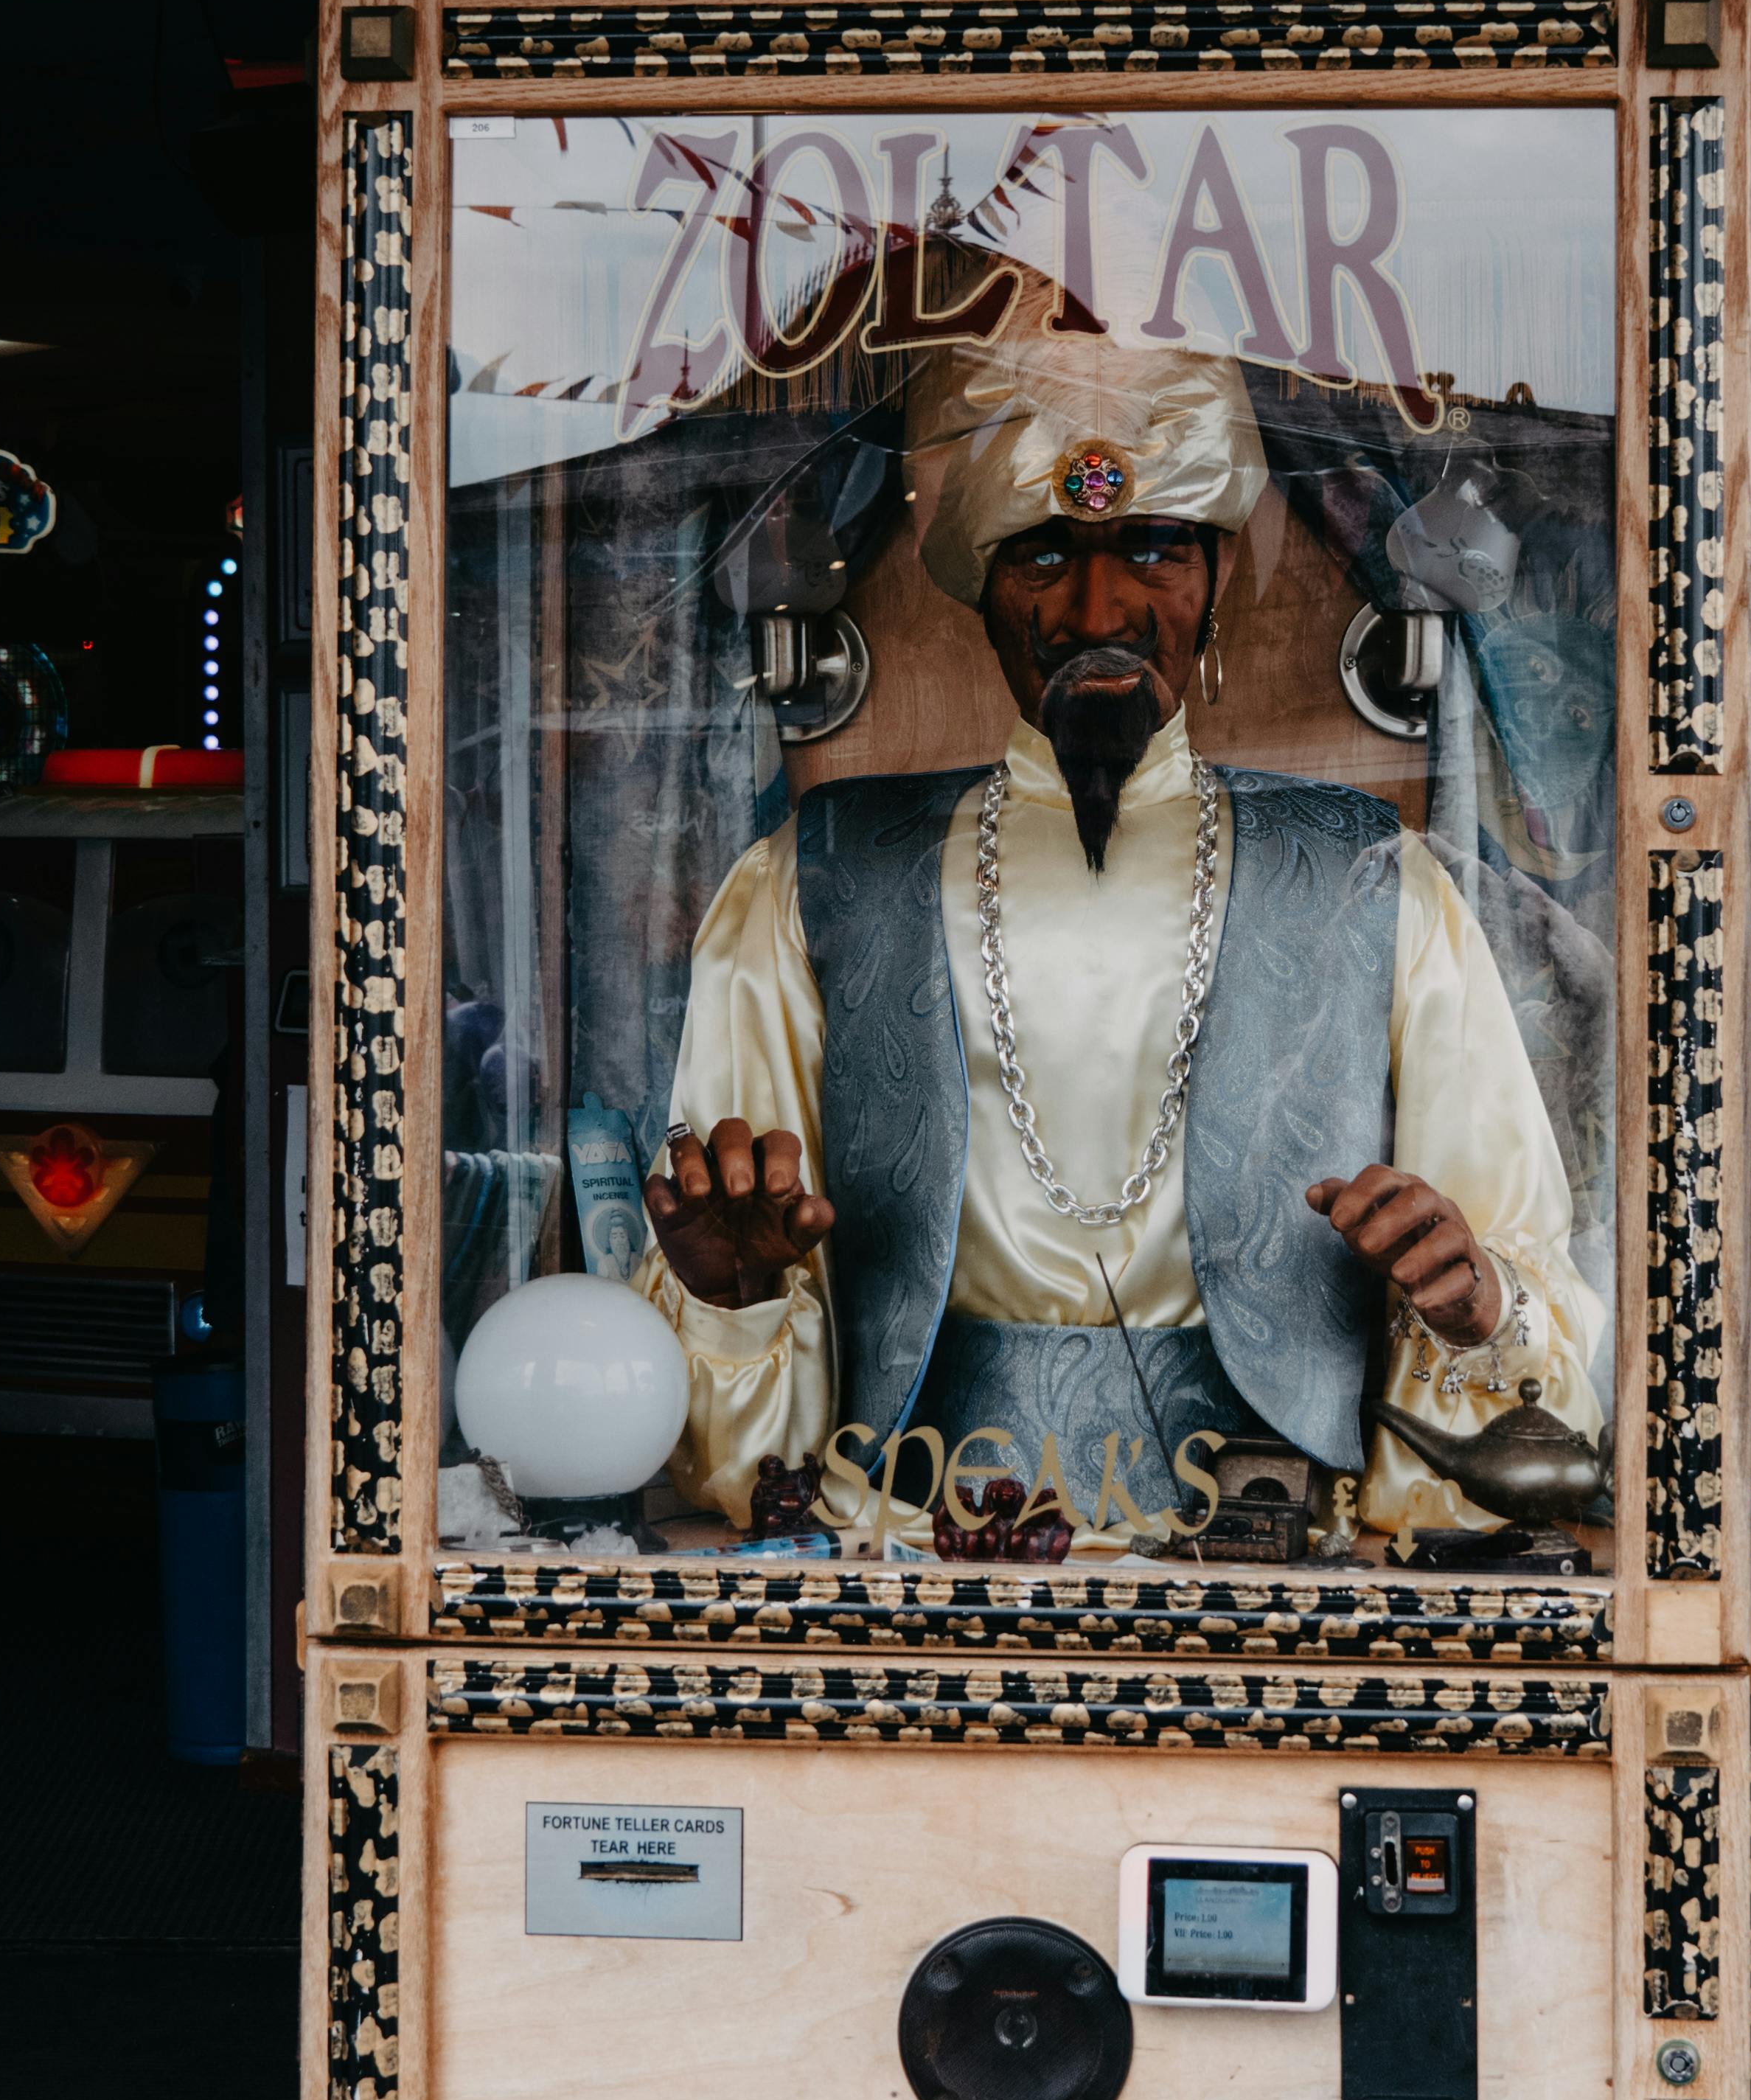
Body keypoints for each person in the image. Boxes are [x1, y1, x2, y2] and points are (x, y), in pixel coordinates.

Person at [639, 326, 1603, 1541]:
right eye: (1044, 554)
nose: (1100, 607)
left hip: (1282, 1578)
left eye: (1150, 549)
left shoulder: (1372, 880)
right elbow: (740, 1460)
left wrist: (1478, 1309)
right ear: (982, 588)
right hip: (910, 1570)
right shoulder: (809, 881)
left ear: (1210, 577)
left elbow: (1517, 1307)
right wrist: (731, 1297)